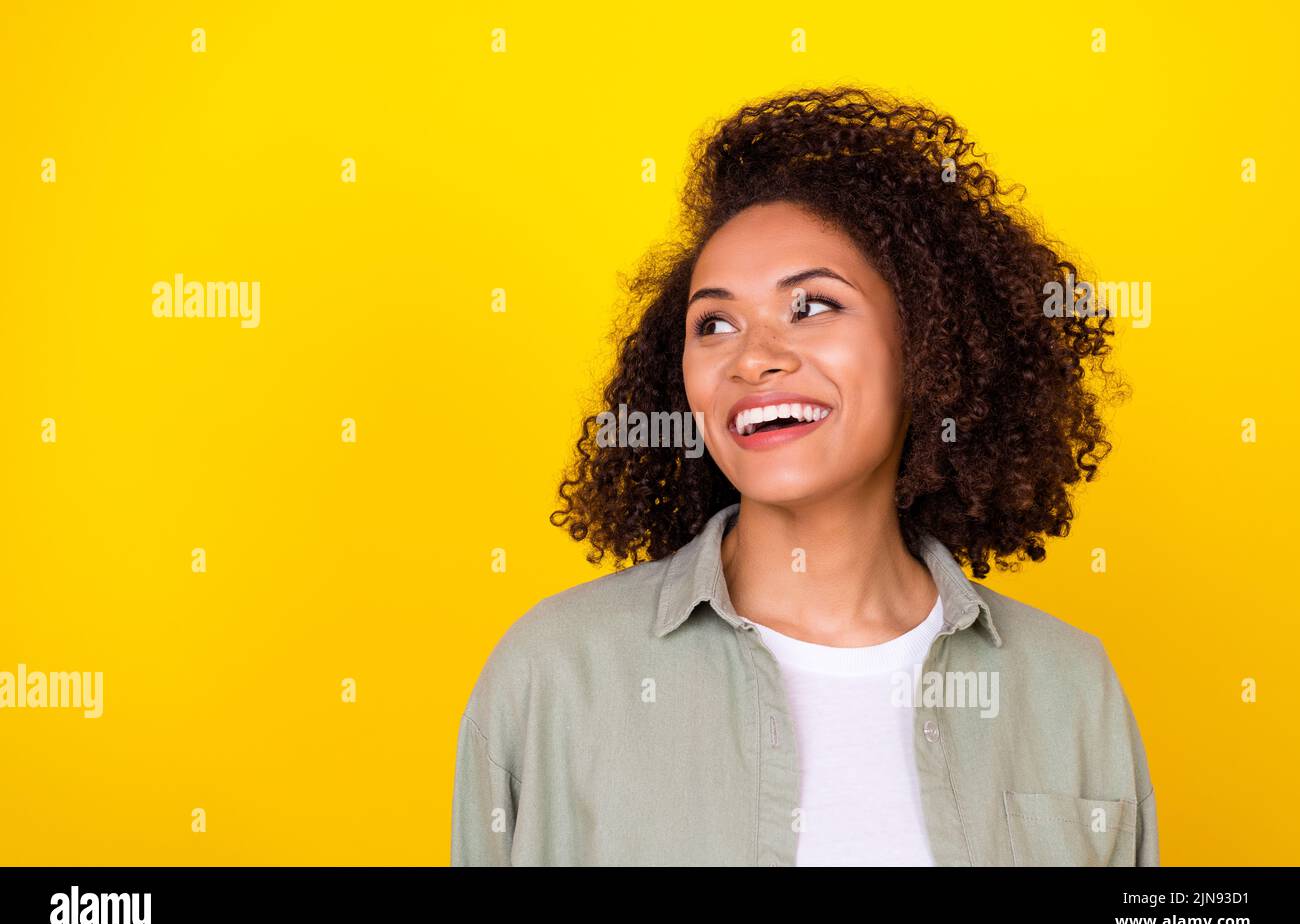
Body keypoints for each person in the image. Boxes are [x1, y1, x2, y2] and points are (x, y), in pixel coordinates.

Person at [451, 86, 1156, 866]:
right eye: (713, 323)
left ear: (927, 343)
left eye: (812, 305)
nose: (752, 356)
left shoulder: (1068, 687)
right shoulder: (555, 674)